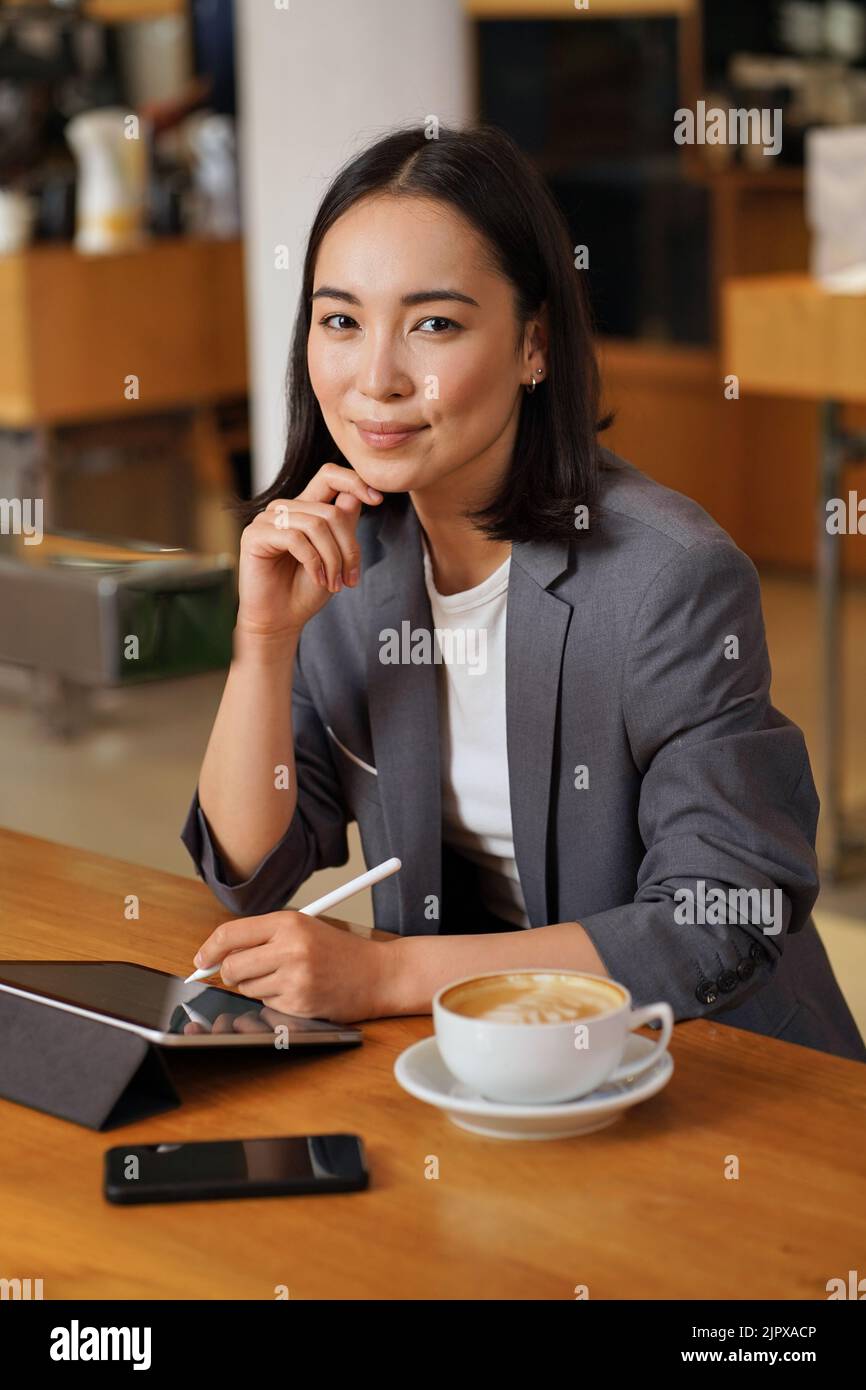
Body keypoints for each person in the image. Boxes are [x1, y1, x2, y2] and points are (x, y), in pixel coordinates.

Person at [181, 123, 865, 1062]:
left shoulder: (669, 577)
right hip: (480, 1065)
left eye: (434, 324)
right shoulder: (343, 556)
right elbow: (252, 874)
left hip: (703, 1066)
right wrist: (263, 641)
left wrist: (383, 977)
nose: (375, 378)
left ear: (534, 345)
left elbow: (721, 918)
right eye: (341, 320)